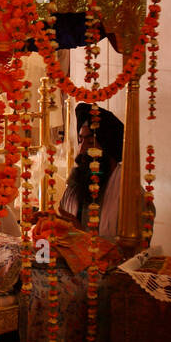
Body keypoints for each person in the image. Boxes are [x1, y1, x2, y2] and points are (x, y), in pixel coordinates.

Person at [57, 103, 125, 240]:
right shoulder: (75, 188)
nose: (81, 150)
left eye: (90, 142)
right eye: (80, 141)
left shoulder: (129, 194)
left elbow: (134, 253)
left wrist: (80, 233)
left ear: (108, 148)